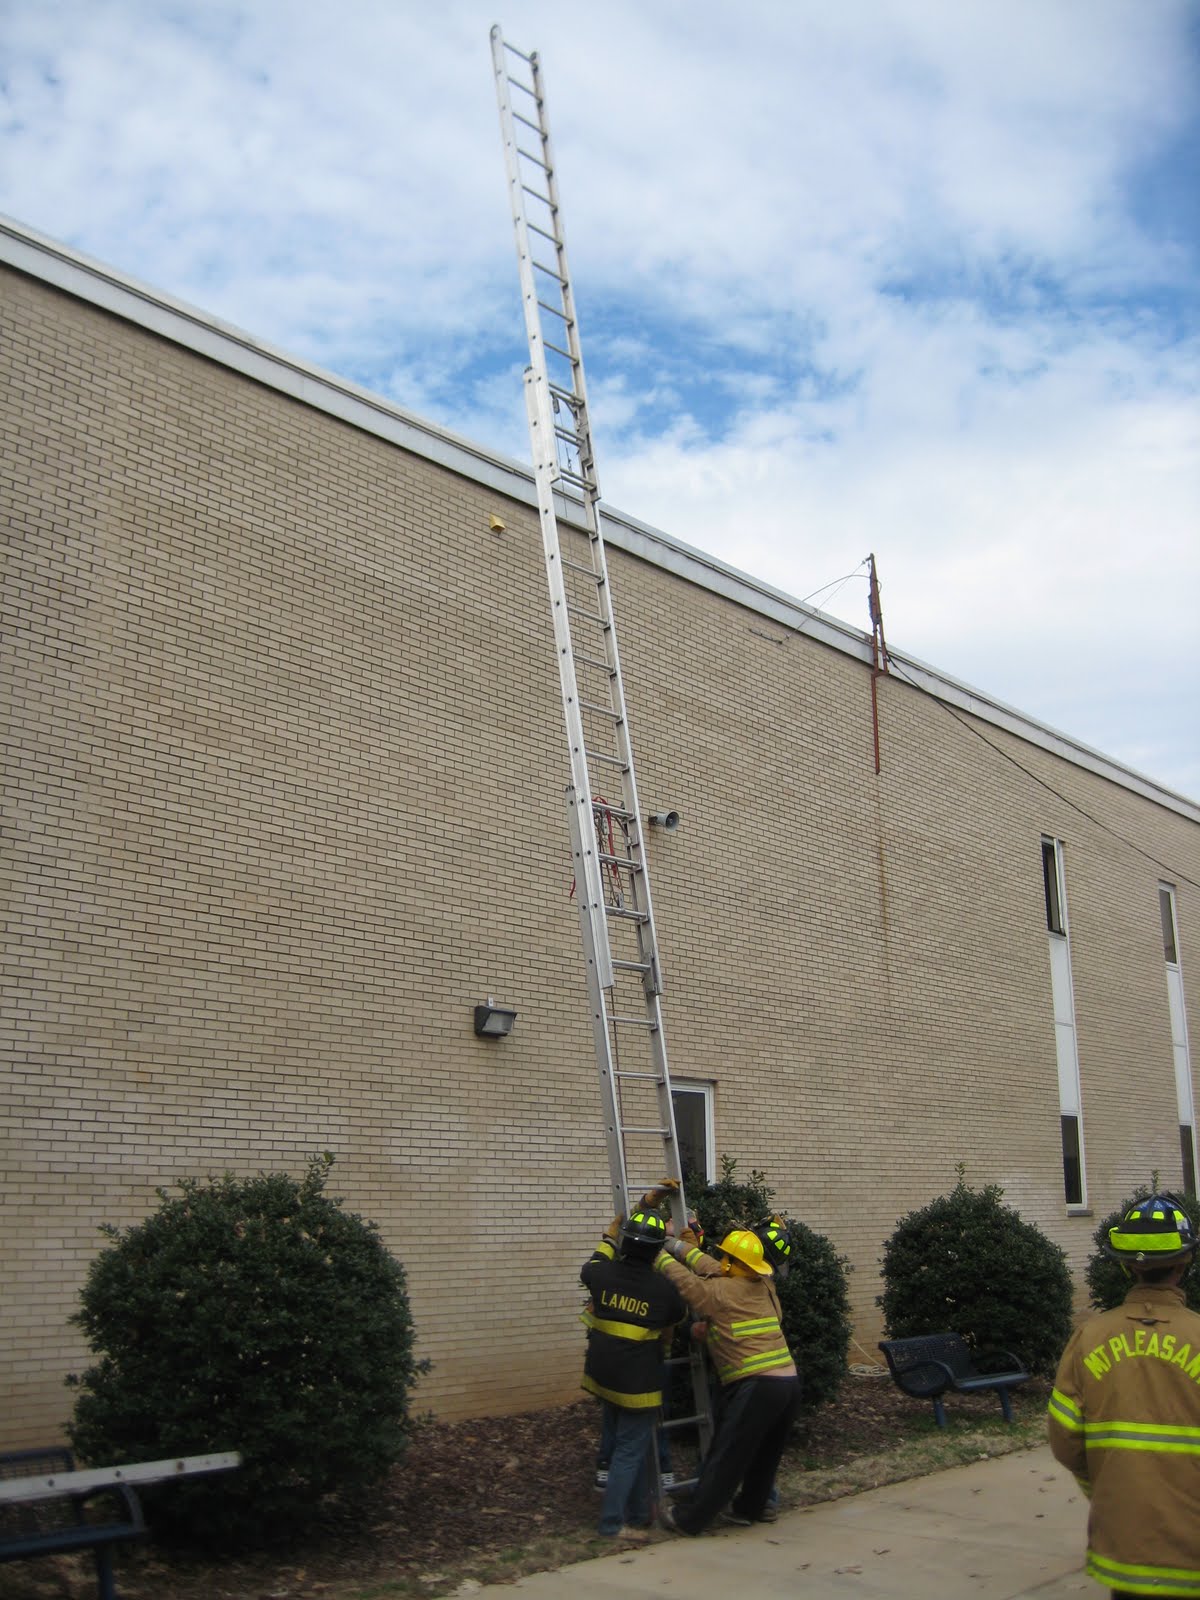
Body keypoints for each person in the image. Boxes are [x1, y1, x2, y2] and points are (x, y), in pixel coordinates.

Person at [1048, 1192, 1200, 1599]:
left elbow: (1065, 1439)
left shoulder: (1089, 1338)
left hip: (1125, 1546)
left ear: (1127, 1264)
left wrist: (1106, 1487)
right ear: (1185, 1261)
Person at [655, 1218, 801, 1535]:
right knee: (766, 1453)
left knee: (728, 1455)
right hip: (789, 1383)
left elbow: (688, 1283)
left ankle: (690, 1519)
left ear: (734, 1263)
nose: (721, 1261)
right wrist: (678, 1245)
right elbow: (710, 1266)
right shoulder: (764, 1284)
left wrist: (658, 1252)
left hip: (756, 1385)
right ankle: (752, 1507)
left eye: (727, 1257)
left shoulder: (719, 1292)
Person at [580, 1207, 686, 1540]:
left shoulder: (602, 1274)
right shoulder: (663, 1290)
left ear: (625, 1242)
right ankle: (611, 1524)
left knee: (631, 1445)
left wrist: (610, 1235)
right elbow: (677, 1317)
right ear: (657, 1249)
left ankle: (640, 1512)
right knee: (629, 1448)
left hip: (602, 1373)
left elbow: (592, 1265)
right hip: (638, 1381)